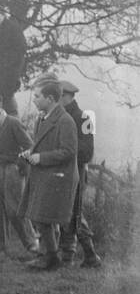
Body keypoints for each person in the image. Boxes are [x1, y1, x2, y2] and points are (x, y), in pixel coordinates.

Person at [18, 80, 78, 271]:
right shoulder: (42, 118)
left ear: (50, 98)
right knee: (39, 217)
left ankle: (50, 257)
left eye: (37, 96)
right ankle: (49, 256)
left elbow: (69, 151)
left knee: (44, 217)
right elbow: (42, 144)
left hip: (57, 176)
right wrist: (31, 153)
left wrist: (41, 157)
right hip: (44, 173)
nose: (34, 100)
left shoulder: (65, 121)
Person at [0, 91, 38, 257]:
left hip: (11, 169)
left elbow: (29, 146)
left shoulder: (12, 122)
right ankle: (1, 245)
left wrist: (21, 163)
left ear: (0, 106)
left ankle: (31, 243)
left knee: (14, 209)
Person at [55, 80, 102, 268]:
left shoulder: (84, 118)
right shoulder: (57, 116)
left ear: (65, 97)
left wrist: (64, 154)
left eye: (58, 97)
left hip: (76, 171)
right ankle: (67, 255)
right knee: (63, 211)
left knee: (74, 213)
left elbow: (87, 152)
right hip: (59, 171)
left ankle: (90, 255)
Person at [0, 5, 26, 117]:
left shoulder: (12, 27)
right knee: (1, 96)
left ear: (3, 15)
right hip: (1, 70)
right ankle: (6, 123)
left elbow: (21, 47)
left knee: (7, 95)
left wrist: (10, 63)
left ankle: (15, 122)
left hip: (11, 68)